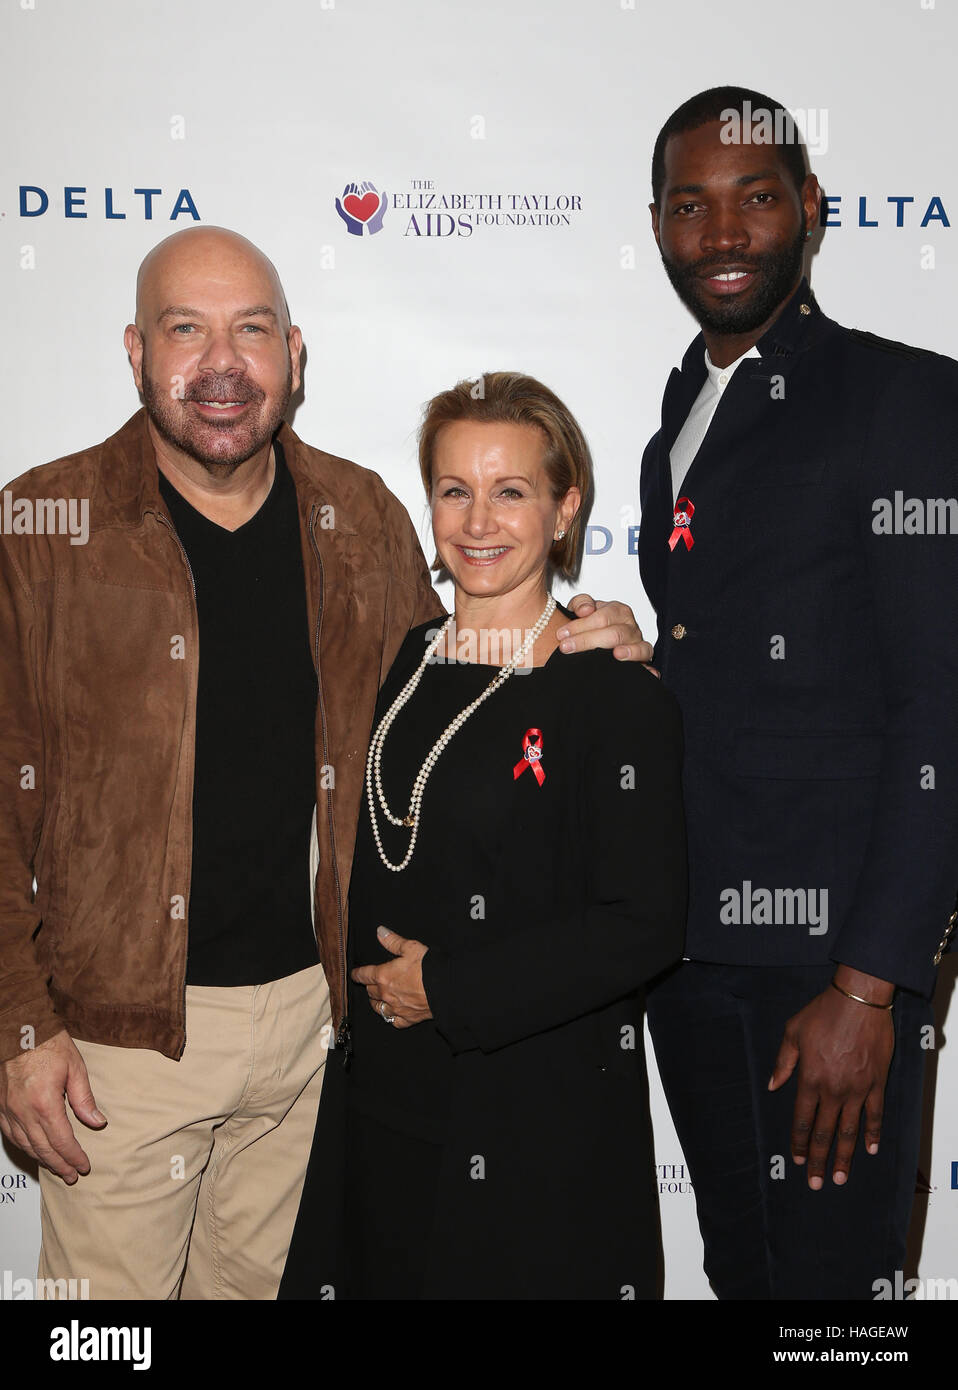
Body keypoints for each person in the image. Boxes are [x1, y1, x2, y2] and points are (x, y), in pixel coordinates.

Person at [0, 226, 653, 1300]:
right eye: (186, 330)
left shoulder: (359, 518)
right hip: (117, 1045)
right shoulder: (44, 527)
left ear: (294, 355)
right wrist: (22, 1028)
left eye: (251, 330)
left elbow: (454, 688)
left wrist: (606, 637)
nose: (222, 363)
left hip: (317, 1030)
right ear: (133, 351)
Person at [638, 86, 958, 1300]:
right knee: (744, 1276)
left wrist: (869, 982)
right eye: (690, 205)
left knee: (832, 1299)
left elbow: (941, 706)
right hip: (688, 959)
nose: (721, 233)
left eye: (754, 198)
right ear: (657, 225)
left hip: (828, 973)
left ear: (811, 211)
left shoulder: (907, 400)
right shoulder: (679, 416)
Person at [279, 371, 687, 1301]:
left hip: (529, 1120)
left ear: (565, 507)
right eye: (454, 490)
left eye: (511, 492)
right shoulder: (413, 656)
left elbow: (645, 924)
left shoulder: (612, 687)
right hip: (384, 1105)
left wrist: (448, 990)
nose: (477, 521)